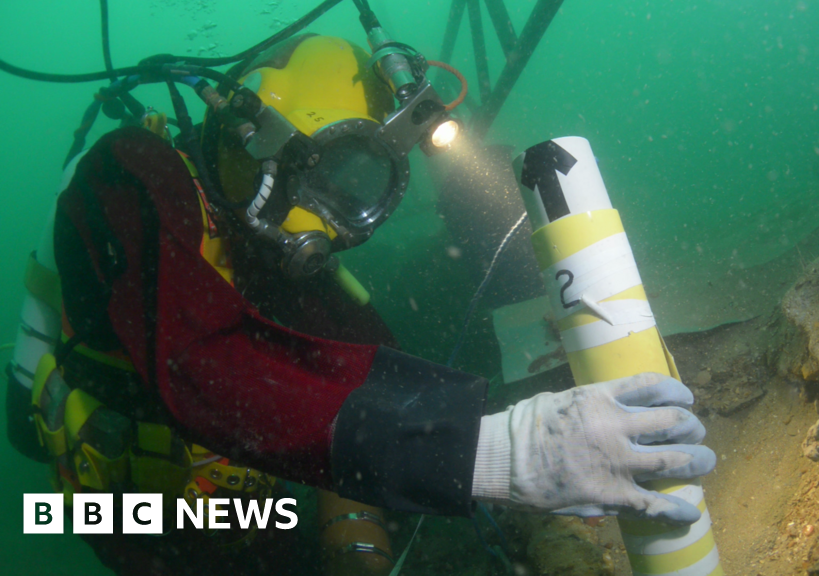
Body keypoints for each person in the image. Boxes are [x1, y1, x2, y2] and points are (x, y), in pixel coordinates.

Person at [6, 34, 715, 575]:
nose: (328, 221)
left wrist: (487, 458)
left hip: (246, 484)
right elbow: (200, 363)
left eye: (358, 182)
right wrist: (494, 452)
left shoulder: (266, 230)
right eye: (325, 173)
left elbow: (375, 361)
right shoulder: (133, 174)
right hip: (133, 508)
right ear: (254, 138)